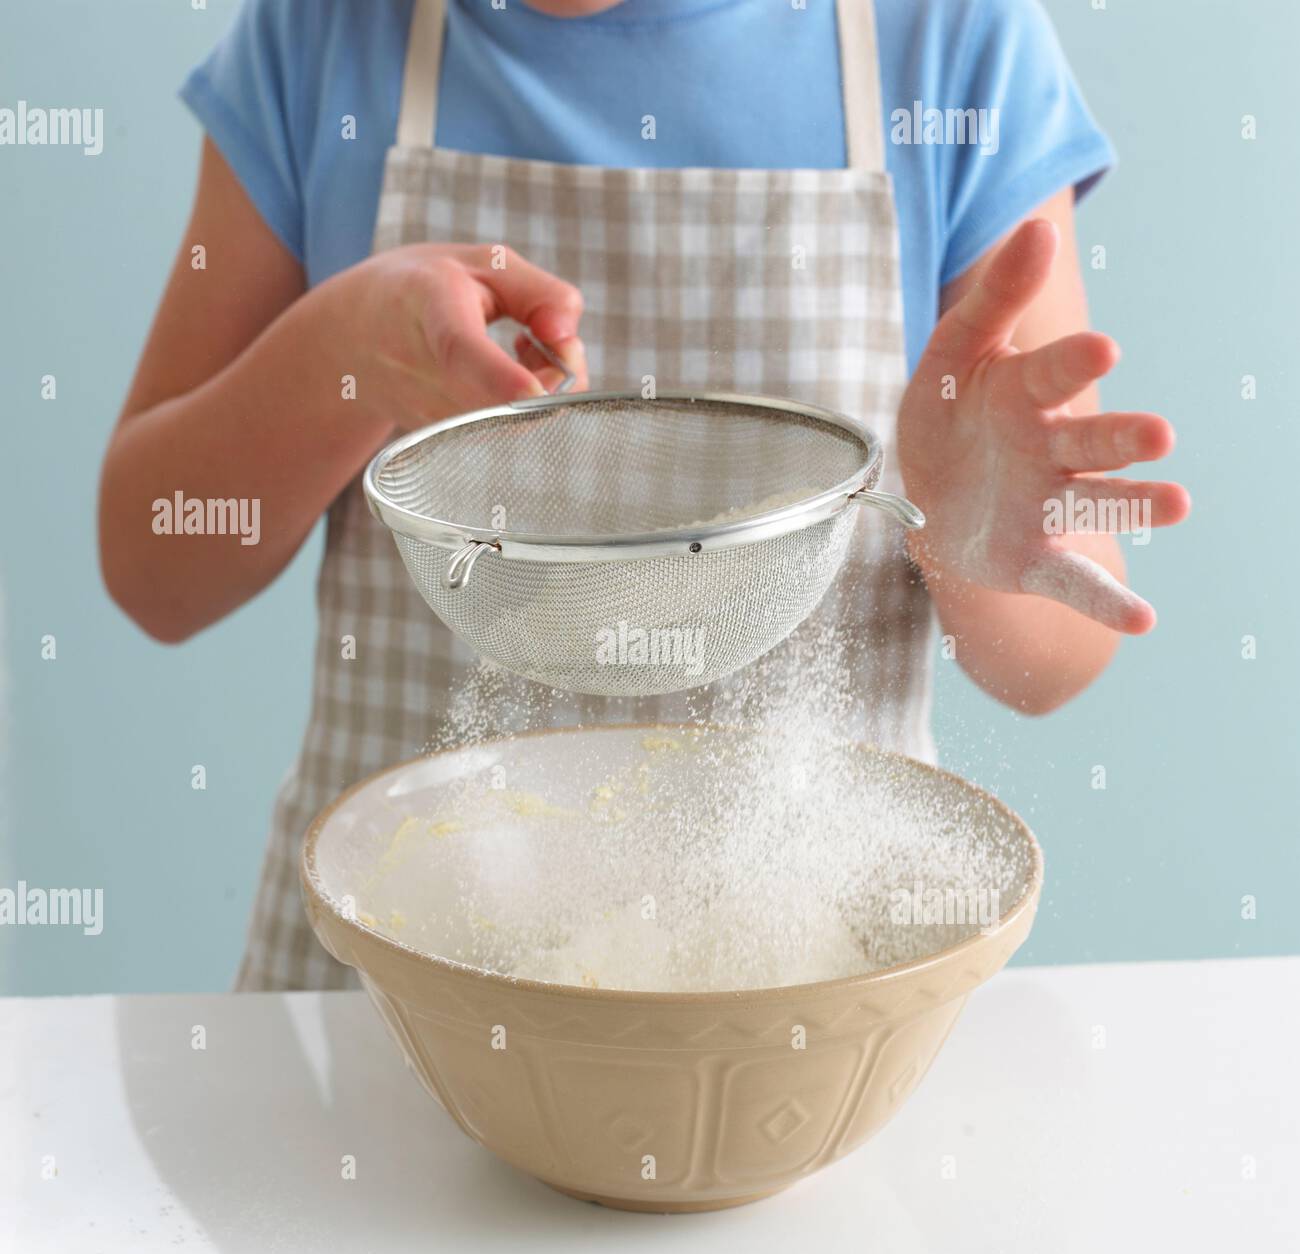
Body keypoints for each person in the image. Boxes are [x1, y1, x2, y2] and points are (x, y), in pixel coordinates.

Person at [98, 0, 1188, 989]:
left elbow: (1055, 654)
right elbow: (156, 567)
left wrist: (964, 532)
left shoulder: (949, 45)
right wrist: (341, 358)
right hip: (396, 1004)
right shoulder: (321, 40)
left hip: (797, 1002)